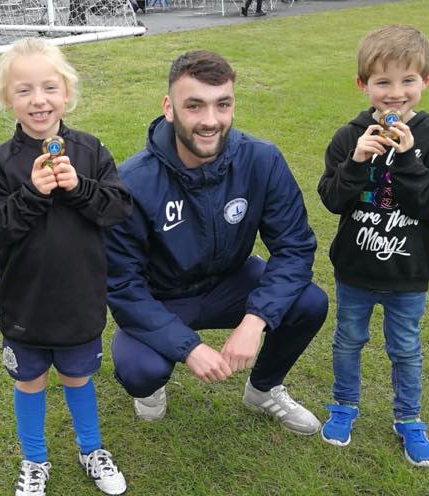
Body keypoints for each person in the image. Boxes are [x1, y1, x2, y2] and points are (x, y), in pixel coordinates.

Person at [105, 50, 328, 432]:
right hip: (164, 297)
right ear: (169, 107)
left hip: (232, 281)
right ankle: (150, 390)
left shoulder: (262, 160)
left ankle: (263, 389)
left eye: (222, 105)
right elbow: (123, 285)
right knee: (140, 368)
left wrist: (255, 320)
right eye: (194, 106)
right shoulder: (131, 182)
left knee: (309, 302)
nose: (210, 121)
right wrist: (188, 347)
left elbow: (295, 247)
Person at [0, 38, 132, 496]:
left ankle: (91, 450)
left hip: (80, 298)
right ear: (8, 100)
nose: (38, 99)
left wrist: (79, 188)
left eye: (48, 87)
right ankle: (35, 461)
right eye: (24, 90)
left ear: (67, 93)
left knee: (78, 377)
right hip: (26, 302)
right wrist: (32, 194)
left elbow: (118, 208)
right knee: (30, 382)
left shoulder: (90, 150)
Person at [317, 26, 429, 465]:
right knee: (348, 340)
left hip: (408, 274)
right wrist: (357, 162)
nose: (395, 94)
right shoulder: (348, 136)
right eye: (383, 82)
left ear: (426, 80)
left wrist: (411, 159)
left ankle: (409, 418)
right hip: (356, 270)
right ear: (364, 85)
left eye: (407, 81)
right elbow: (331, 198)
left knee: (406, 347)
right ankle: (343, 405)